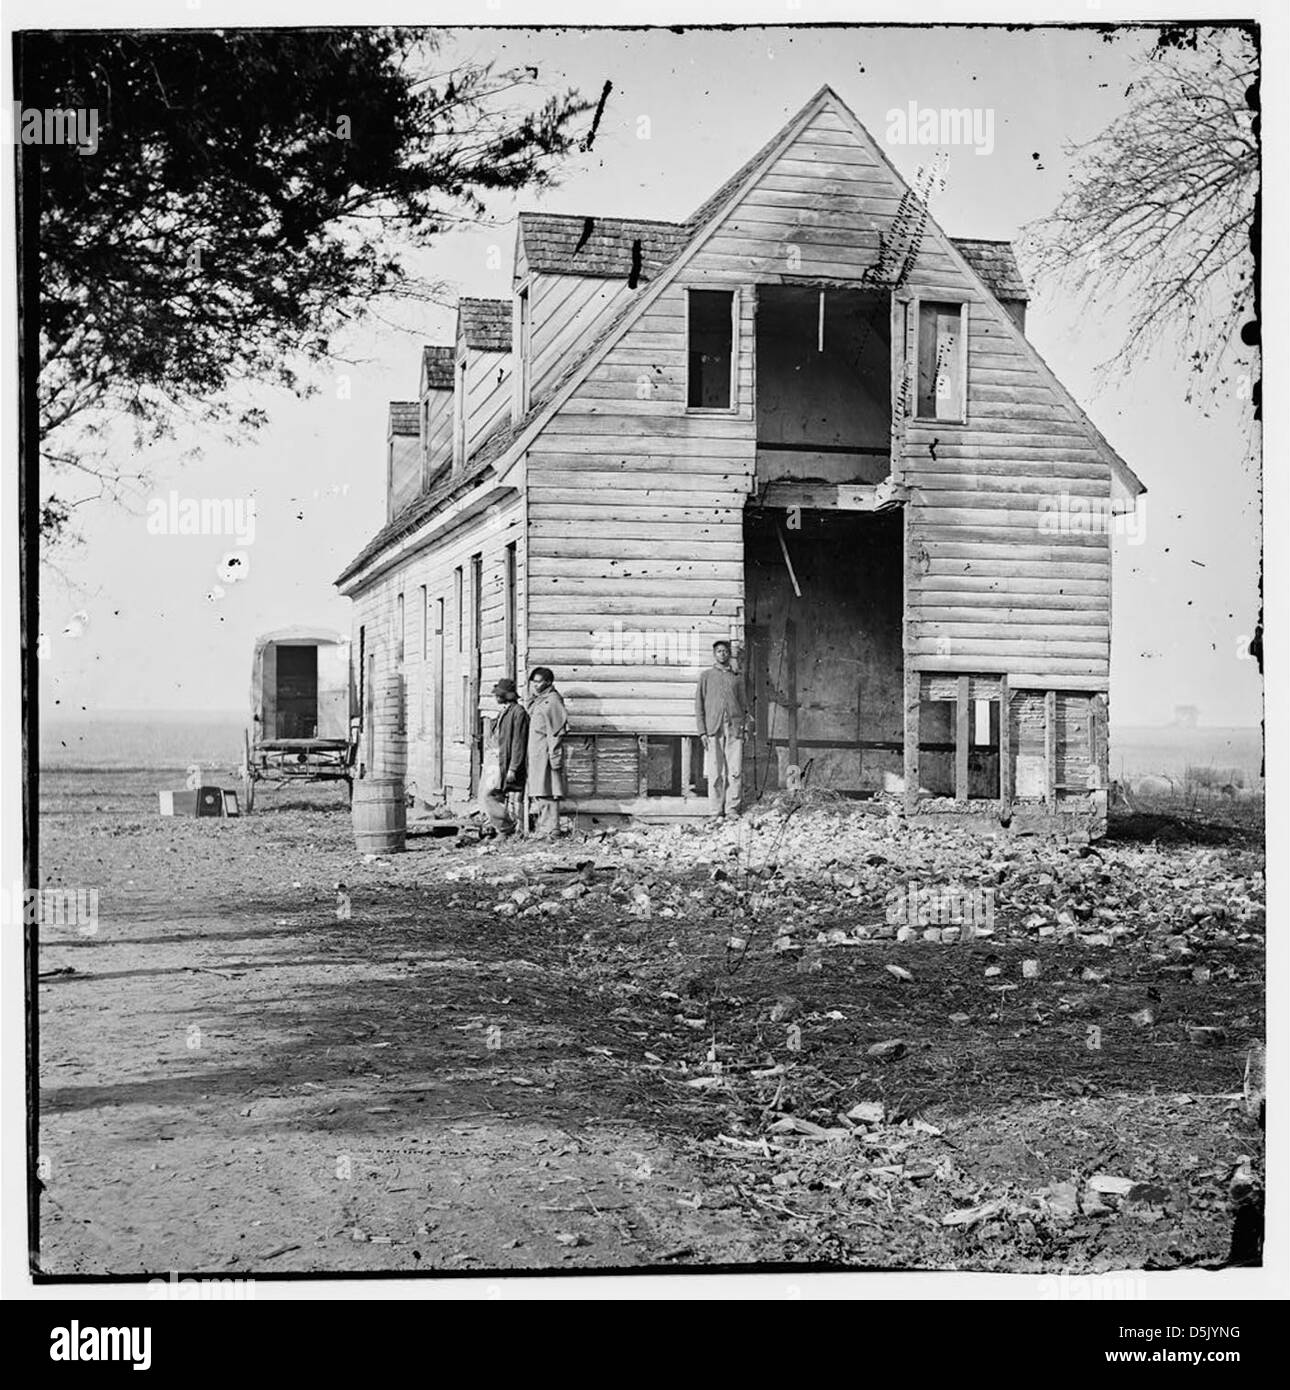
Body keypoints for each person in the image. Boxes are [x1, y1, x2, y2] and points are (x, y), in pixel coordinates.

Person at [695, 639, 745, 819]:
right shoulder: (706, 676)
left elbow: (744, 704)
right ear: (714, 654)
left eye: (725, 651)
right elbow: (699, 705)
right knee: (715, 772)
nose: (722, 654)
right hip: (713, 730)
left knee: (735, 770)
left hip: (734, 729)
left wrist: (743, 726)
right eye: (719, 651)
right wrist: (702, 731)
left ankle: (732, 809)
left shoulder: (736, 678)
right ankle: (715, 811)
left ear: (729, 655)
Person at [478, 678, 528, 837]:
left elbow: (518, 743)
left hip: (504, 761)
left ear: (508, 695)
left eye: (499, 694)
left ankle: (506, 828)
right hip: (494, 759)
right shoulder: (504, 711)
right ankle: (497, 828)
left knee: (490, 795)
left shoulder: (518, 712)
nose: (496, 697)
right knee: (487, 794)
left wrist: (513, 768)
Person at [526, 667, 568, 838]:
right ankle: (545, 828)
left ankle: (552, 829)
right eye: (533, 682)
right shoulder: (540, 700)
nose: (536, 685)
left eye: (539, 682)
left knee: (548, 790)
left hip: (546, 754)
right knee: (540, 791)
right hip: (537, 753)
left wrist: (554, 756)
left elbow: (556, 732)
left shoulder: (552, 702)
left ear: (549, 682)